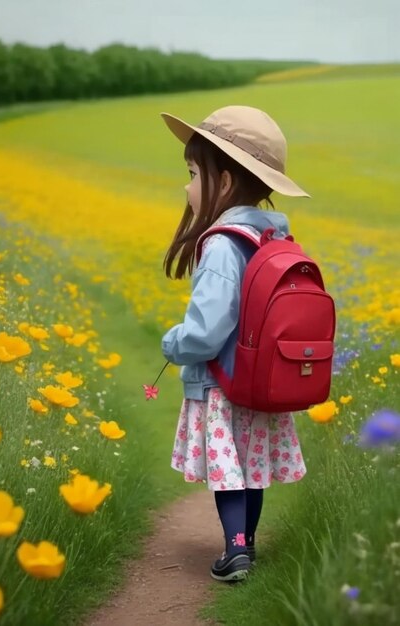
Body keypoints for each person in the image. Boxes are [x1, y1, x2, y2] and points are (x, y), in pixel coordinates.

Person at [160, 105, 308, 582]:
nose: (186, 187)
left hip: (223, 385)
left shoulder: (222, 244)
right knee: (253, 468)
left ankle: (235, 549)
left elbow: (206, 330)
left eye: (191, 174)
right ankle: (248, 544)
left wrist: (173, 343)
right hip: (261, 379)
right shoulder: (272, 236)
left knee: (229, 473)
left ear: (222, 182)